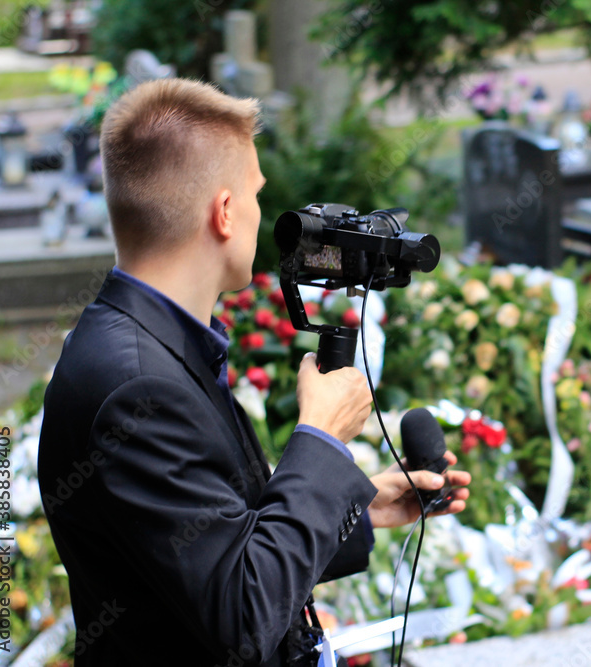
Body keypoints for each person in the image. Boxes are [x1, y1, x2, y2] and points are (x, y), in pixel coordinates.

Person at [37, 78, 470, 666]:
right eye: (256, 193)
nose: (261, 212)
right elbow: (241, 615)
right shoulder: (137, 384)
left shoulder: (146, 343)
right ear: (224, 211)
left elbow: (205, 544)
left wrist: (358, 511)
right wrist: (321, 437)